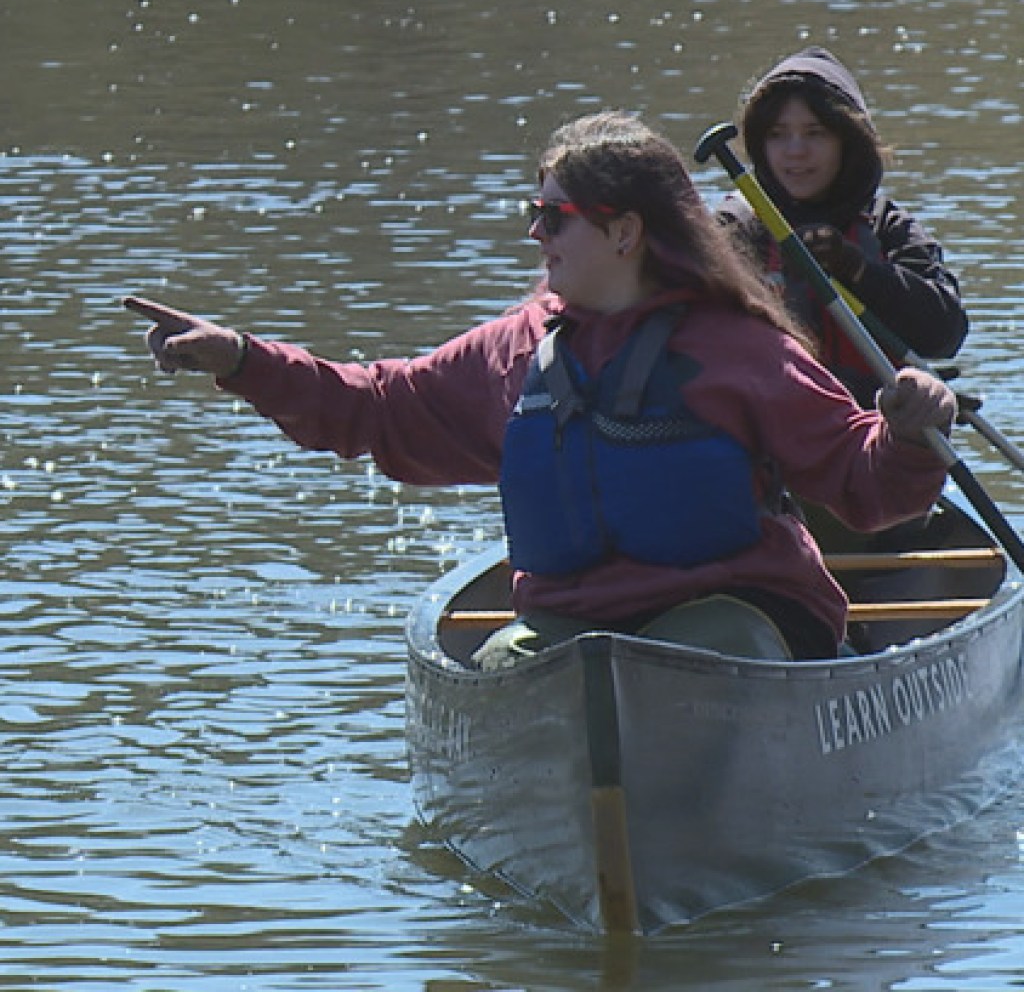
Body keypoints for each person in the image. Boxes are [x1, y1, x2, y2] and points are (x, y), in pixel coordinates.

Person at [125, 109, 956, 666]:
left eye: (554, 216)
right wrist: (241, 359)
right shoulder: (515, 348)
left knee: (701, 653)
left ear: (625, 232)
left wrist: (911, 431)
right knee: (506, 668)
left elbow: (867, 484)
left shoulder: (740, 349)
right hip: (575, 627)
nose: (534, 233)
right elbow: (373, 408)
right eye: (535, 211)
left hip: (736, 617)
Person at [716, 46, 967, 406]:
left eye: (815, 133)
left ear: (847, 141)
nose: (795, 151)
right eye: (777, 134)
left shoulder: (887, 226)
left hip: (877, 427)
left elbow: (945, 335)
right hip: (768, 426)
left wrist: (857, 269)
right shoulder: (735, 229)